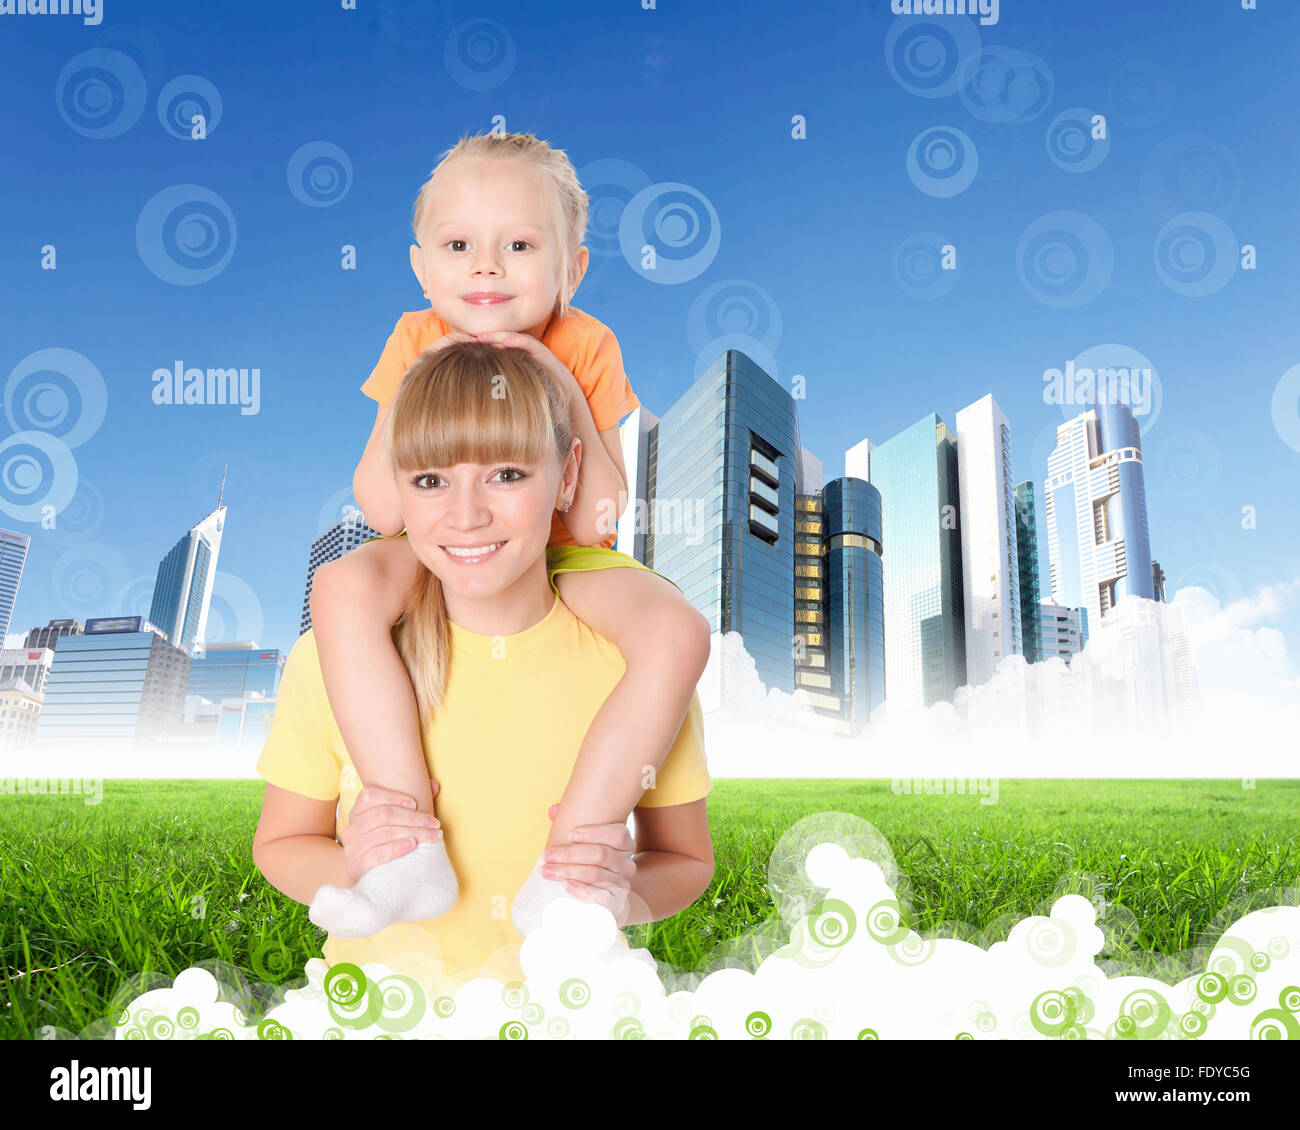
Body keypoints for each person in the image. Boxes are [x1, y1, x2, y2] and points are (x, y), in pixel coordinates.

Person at [304, 131, 711, 939]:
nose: (486, 268)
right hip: (446, 547)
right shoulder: (413, 340)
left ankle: (574, 863)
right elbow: (384, 508)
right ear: (423, 268)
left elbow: (598, 515)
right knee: (342, 585)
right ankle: (403, 837)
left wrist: (553, 375)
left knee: (676, 627)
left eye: (519, 246)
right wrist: (425, 390)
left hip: (563, 552)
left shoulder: (586, 344)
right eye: (459, 246)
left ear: (572, 268)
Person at [252, 342, 714, 985]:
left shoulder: (635, 670)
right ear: (399, 490)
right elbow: (279, 845)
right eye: (431, 481)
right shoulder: (334, 657)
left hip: (566, 1015)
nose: (466, 515)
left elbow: (687, 860)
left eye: (507, 475)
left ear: (568, 475)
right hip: (387, 1015)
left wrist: (616, 893)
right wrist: (354, 867)